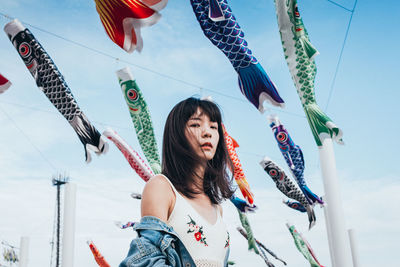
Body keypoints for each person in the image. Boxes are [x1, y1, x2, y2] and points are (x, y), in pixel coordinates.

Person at [120, 97, 235, 267]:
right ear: (177, 134)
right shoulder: (161, 187)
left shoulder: (217, 208)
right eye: (196, 125)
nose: (207, 132)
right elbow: (146, 260)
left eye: (213, 127)